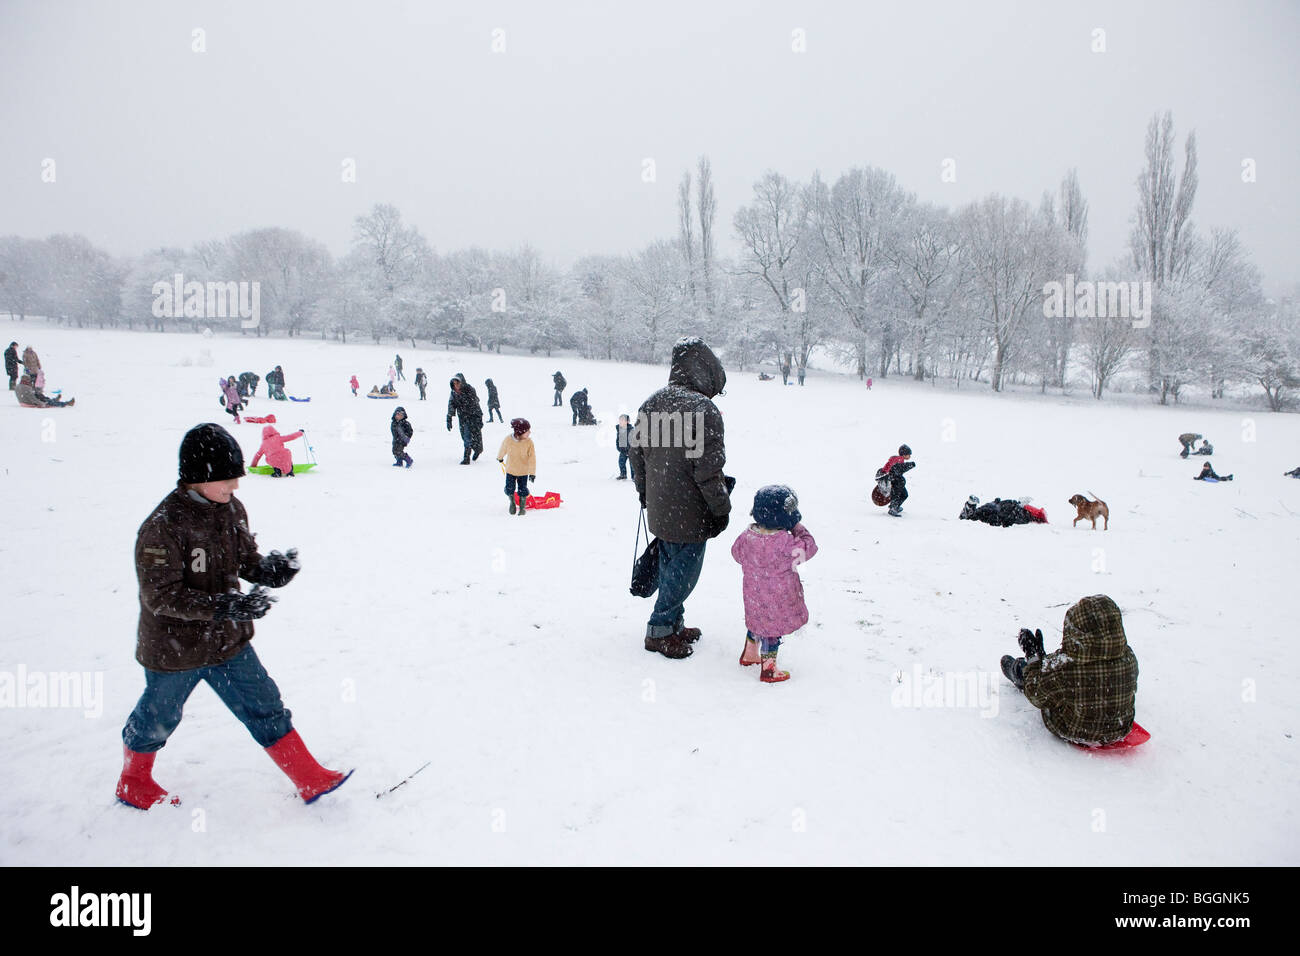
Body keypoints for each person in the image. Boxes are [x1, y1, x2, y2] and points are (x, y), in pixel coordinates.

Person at [115, 423, 349, 810]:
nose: (235, 487)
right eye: (227, 479)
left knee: (265, 703)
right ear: (197, 478)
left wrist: (271, 571)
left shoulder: (231, 509)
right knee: (159, 717)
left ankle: (309, 777)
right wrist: (224, 606)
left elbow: (244, 561)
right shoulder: (162, 527)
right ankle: (133, 779)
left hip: (227, 642)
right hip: (175, 651)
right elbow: (160, 596)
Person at [628, 337, 732, 660]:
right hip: (691, 511)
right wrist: (721, 508)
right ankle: (659, 629)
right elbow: (708, 472)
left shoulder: (651, 404)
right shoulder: (704, 411)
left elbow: (637, 456)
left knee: (670, 565)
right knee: (683, 572)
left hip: (660, 506)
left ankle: (673, 622)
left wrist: (644, 492)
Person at [999, 594, 1138, 746]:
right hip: (1121, 728)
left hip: (1074, 729)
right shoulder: (1128, 656)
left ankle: (1022, 672)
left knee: (1033, 680)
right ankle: (1041, 668)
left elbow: (1036, 695)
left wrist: (1032, 656)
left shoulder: (1068, 669)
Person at [731, 485, 818, 683]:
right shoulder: (787, 544)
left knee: (756, 624)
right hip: (779, 600)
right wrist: (797, 527)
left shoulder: (747, 538)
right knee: (772, 631)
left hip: (754, 596)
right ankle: (768, 670)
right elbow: (810, 547)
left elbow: (736, 553)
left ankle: (749, 654)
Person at [497, 418, 537, 516]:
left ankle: (522, 507)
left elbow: (532, 458)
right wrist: (500, 457)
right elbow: (503, 448)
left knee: (523, 490)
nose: (529, 433)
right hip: (511, 470)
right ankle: (512, 502)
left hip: (523, 471)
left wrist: (532, 473)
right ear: (520, 432)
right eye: (527, 431)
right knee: (509, 488)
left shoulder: (529, 443)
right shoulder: (508, 440)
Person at [446, 373, 484, 464]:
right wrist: (449, 418)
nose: (456, 386)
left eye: (457, 383)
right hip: (463, 418)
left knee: (475, 436)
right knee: (465, 436)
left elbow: (474, 404)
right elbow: (451, 404)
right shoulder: (453, 393)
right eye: (454, 384)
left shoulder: (470, 390)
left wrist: (478, 418)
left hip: (473, 417)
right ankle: (469, 454)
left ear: (462, 382)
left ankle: (474, 453)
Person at [878, 444, 915, 517]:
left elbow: (897, 469)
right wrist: (910, 465)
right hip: (895, 481)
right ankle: (893, 508)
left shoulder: (898, 459)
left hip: (896, 481)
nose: (910, 456)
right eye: (909, 454)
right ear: (904, 454)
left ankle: (896, 507)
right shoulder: (899, 459)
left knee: (904, 494)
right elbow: (897, 469)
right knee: (897, 494)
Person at [616, 414, 635, 480]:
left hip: (631, 451)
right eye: (620, 420)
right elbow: (618, 440)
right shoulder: (619, 430)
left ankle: (634, 476)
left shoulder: (631, 430)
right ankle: (623, 474)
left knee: (632, 465)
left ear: (627, 421)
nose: (621, 422)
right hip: (623, 451)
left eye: (622, 420)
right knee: (621, 462)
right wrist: (618, 447)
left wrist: (631, 450)